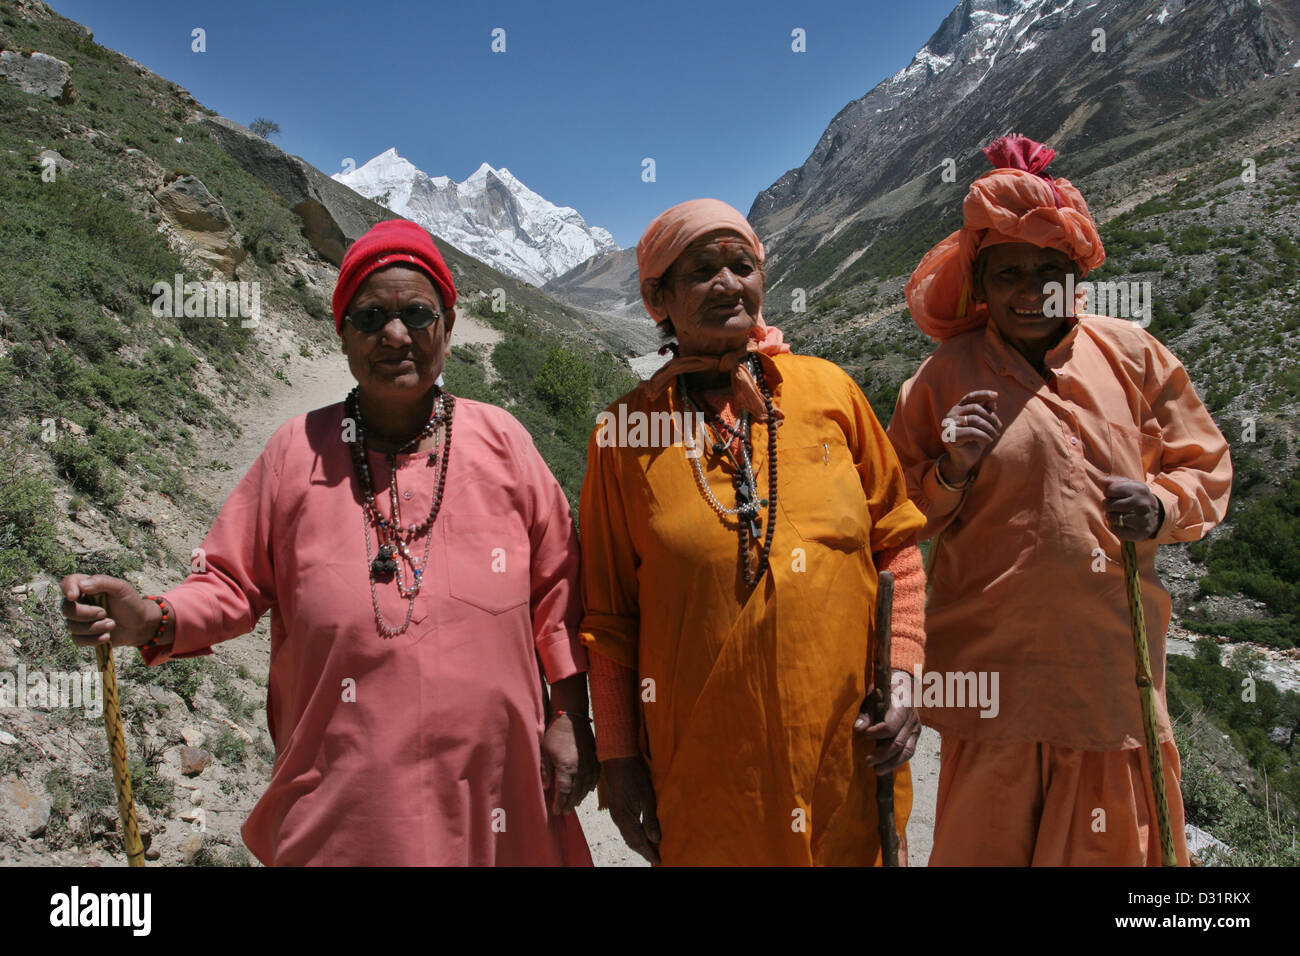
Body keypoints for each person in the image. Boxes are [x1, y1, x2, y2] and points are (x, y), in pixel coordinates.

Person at [62, 219, 597, 866]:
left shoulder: (503, 441)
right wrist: (153, 618)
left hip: (499, 790)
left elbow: (559, 587)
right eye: (370, 316)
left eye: (417, 314)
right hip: (351, 801)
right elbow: (231, 584)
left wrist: (569, 716)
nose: (395, 334)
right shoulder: (296, 454)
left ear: (447, 330)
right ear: (342, 333)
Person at [886, 134, 1233, 865]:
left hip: (1107, 670)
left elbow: (1205, 464)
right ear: (978, 283)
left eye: (1050, 270)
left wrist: (1162, 506)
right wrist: (953, 468)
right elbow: (895, 518)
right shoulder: (940, 378)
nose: (1028, 289)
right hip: (990, 676)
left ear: (1076, 276)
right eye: (1008, 271)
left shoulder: (1135, 355)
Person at [579, 199, 929, 865]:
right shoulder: (622, 434)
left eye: (742, 266)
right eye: (702, 271)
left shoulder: (830, 394)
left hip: (845, 760)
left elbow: (897, 546)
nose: (728, 284)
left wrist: (907, 674)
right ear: (659, 298)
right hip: (706, 773)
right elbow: (609, 617)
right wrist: (620, 759)